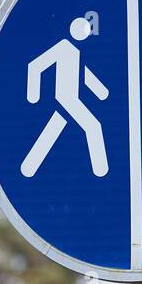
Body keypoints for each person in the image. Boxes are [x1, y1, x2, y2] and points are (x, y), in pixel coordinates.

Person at [21, 15, 110, 179]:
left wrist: (101, 92)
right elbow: (36, 66)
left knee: (53, 129)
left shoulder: (77, 52)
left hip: (69, 100)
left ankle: (28, 168)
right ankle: (102, 170)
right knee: (92, 126)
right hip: (66, 99)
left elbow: (83, 74)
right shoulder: (62, 47)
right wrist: (33, 94)